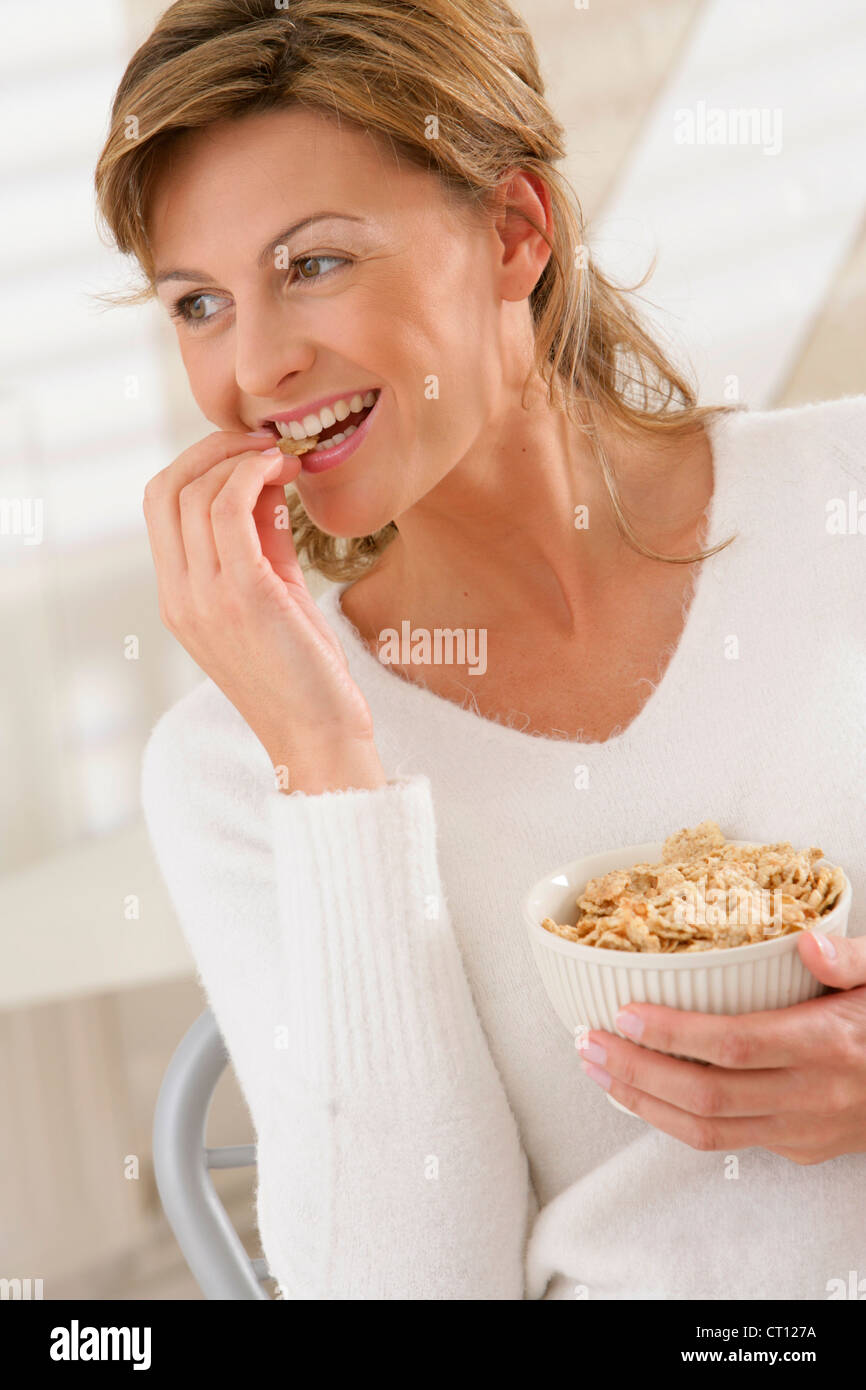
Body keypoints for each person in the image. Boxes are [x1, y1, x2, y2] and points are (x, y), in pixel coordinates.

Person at [94, 0, 866, 1299]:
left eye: (314, 263)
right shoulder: (235, 763)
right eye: (198, 301)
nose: (258, 364)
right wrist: (329, 766)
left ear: (514, 231)